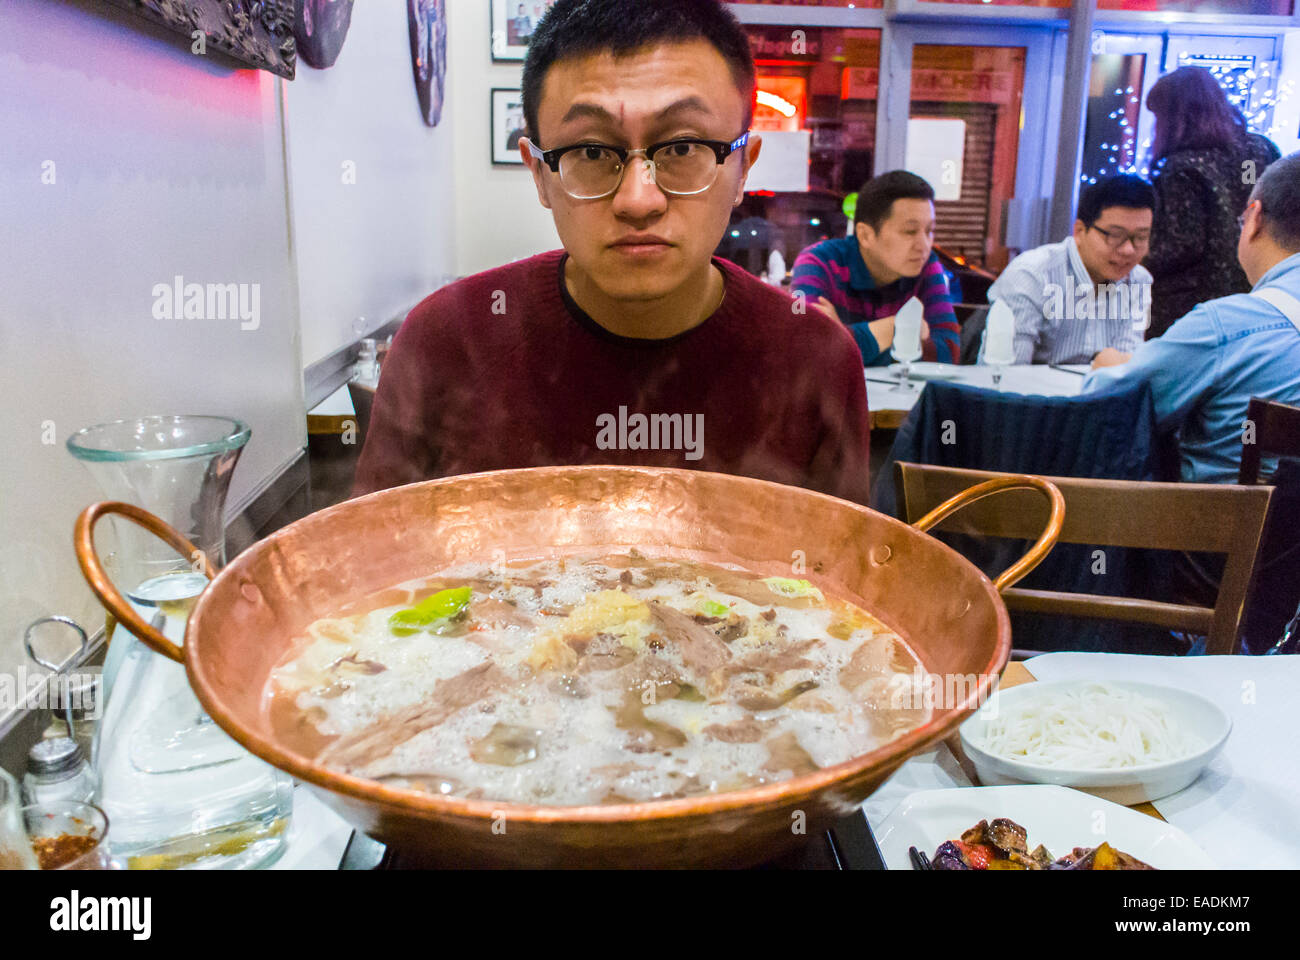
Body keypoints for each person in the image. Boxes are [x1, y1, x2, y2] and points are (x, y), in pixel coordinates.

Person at [354, 0, 872, 505]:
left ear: (743, 167)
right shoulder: (445, 343)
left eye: (684, 148)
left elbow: (841, 581)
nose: (638, 200)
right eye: (592, 152)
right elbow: (368, 570)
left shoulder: (817, 360)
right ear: (539, 173)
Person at [1083, 151, 1300, 485]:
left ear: (1254, 218)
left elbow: (1108, 408)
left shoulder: (1225, 328)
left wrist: (1109, 365)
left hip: (1217, 532)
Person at [1143, 66, 1281, 339]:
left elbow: (1182, 243)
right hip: (1255, 293)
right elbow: (1257, 194)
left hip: (1190, 307)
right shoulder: (1255, 152)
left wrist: (1135, 258)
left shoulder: (1182, 168)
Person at [790, 171, 961, 367]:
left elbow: (949, 352)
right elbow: (802, 344)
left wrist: (841, 337)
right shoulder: (817, 261)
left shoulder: (927, 265)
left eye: (929, 231)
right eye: (910, 231)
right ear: (865, 235)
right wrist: (896, 328)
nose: (924, 245)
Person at [987, 175, 1154, 366]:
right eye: (1115, 236)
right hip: (1034, 394)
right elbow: (1005, 375)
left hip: (1101, 394)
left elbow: (1125, 370)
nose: (1128, 250)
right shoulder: (1032, 275)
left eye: (1141, 237)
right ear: (1080, 231)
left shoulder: (1138, 281)